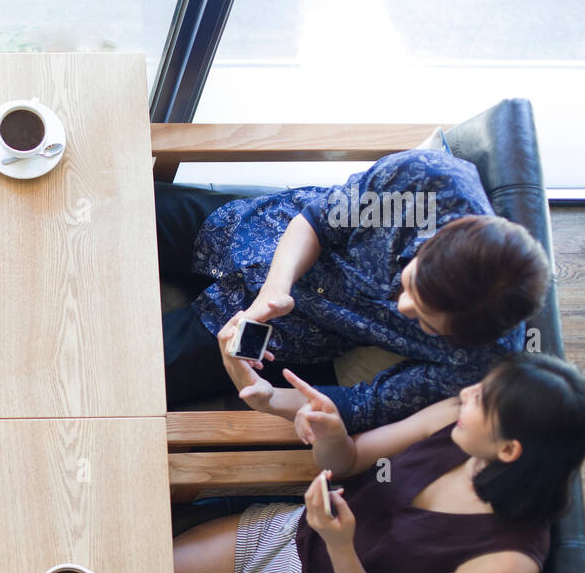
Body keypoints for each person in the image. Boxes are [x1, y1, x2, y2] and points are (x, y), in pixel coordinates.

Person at [173, 340, 585, 573]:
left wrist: (340, 546)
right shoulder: (453, 420)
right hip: (289, 536)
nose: (466, 394)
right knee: (135, 571)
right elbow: (349, 461)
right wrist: (331, 432)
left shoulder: (507, 566)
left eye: (482, 399)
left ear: (509, 451)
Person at [156, 148, 551, 432]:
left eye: (423, 321)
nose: (403, 305)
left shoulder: (482, 358)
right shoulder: (428, 183)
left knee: (120, 377)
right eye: (412, 283)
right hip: (247, 231)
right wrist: (274, 292)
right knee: (113, 210)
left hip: (286, 338)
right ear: (437, 240)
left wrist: (266, 397)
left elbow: (368, 406)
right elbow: (316, 222)